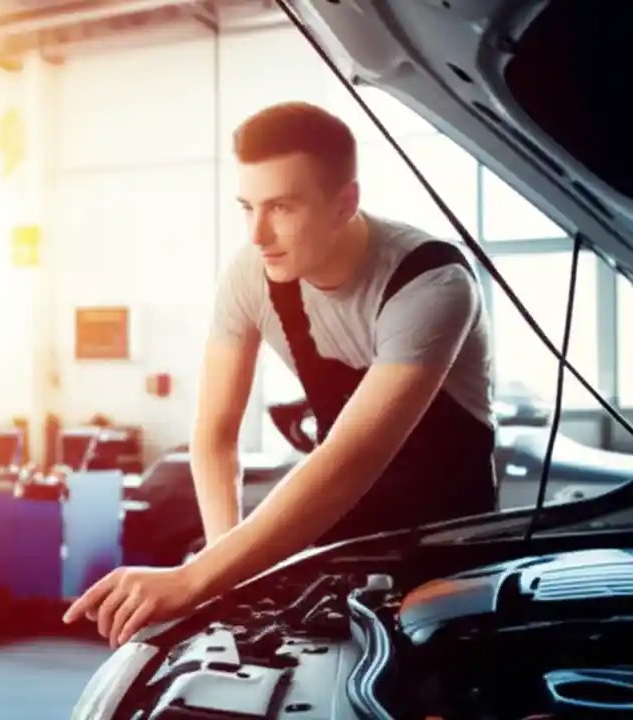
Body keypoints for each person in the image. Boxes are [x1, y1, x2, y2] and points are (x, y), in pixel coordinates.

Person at [65, 101, 496, 646]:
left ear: (345, 203)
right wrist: (224, 566)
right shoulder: (251, 276)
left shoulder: (432, 284)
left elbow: (349, 462)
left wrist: (195, 579)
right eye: (248, 207)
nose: (257, 233)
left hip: (448, 545)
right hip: (337, 538)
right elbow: (214, 436)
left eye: (281, 207)